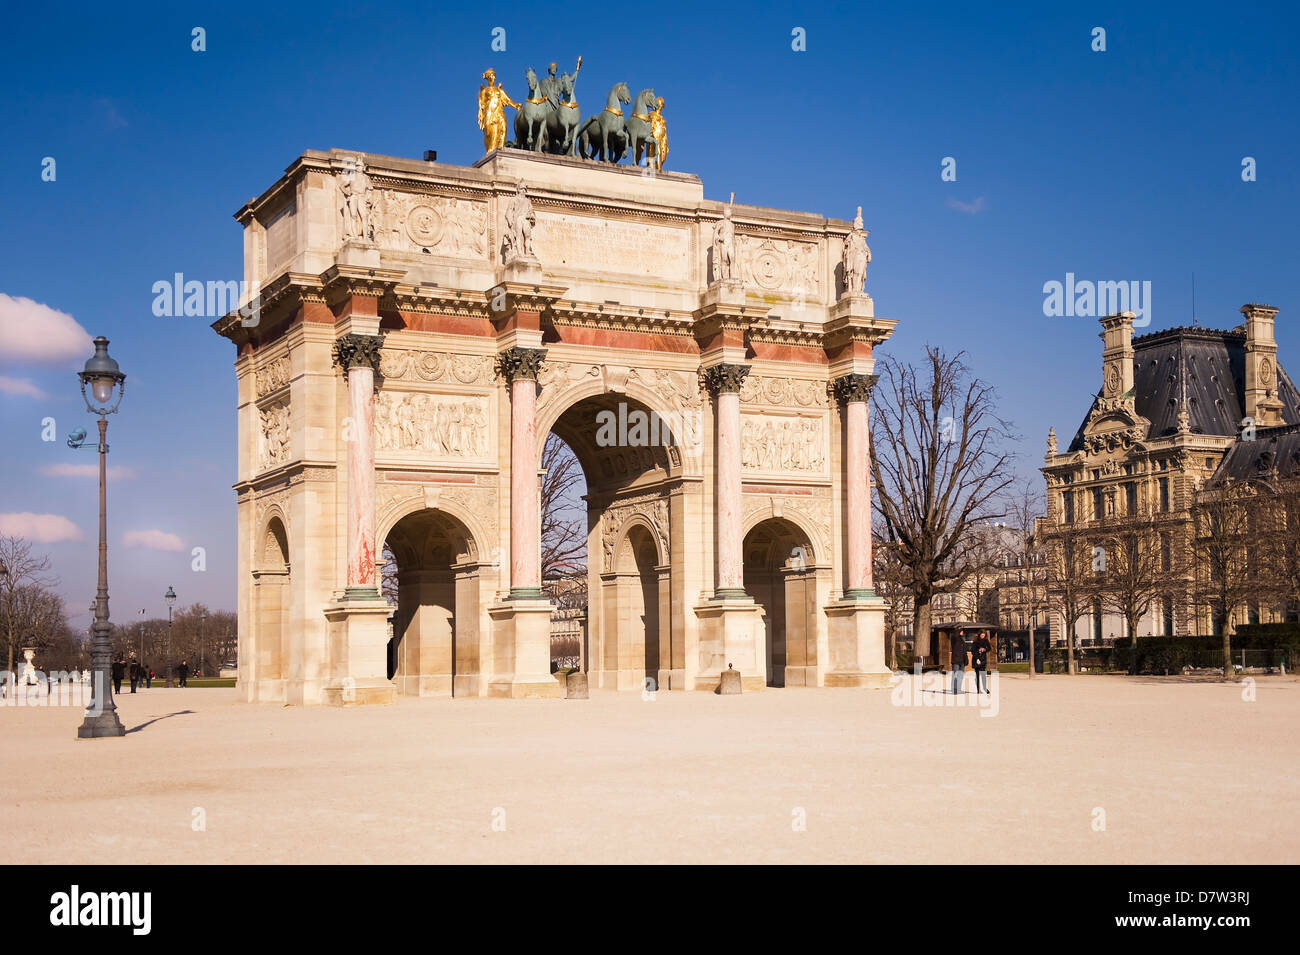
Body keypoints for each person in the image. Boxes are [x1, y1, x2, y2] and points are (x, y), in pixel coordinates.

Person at [949, 629, 967, 694]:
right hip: (956, 660)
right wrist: (957, 630)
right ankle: (955, 689)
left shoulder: (962, 640)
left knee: (960, 676)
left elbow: (964, 651)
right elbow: (954, 636)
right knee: (955, 675)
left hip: (962, 661)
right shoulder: (954, 639)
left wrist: (966, 659)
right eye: (961, 631)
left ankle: (958, 689)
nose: (963, 632)